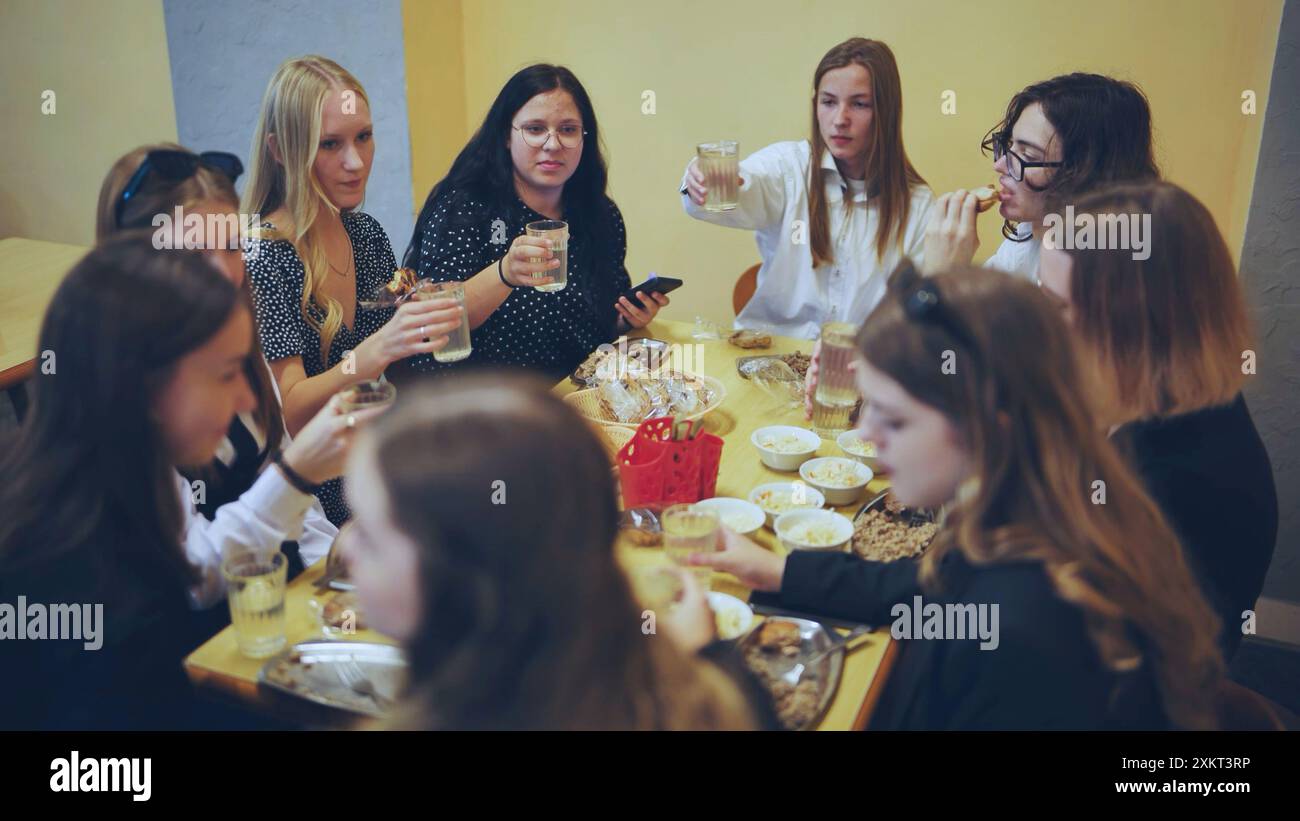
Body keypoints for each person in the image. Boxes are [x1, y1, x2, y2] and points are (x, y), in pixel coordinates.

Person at [694, 264, 1223, 729]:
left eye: (895, 418)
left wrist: (711, 661)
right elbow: (933, 592)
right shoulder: (1026, 519)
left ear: (986, 425)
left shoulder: (1021, 637)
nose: (868, 434)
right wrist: (776, 571)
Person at [0, 235, 365, 729]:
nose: (244, 399)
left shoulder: (118, 481)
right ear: (144, 384)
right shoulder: (79, 577)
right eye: (224, 375)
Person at [341, 376, 778, 730]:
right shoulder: (707, 701)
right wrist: (705, 655)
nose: (346, 545)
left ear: (463, 577)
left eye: (370, 534)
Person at [1037, 180, 1278, 660]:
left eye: (1056, 307)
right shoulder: (1161, 394)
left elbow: (1070, 646)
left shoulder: (1180, 481)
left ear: (1129, 326)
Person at [97, 142, 340, 576]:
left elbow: (300, 516)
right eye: (194, 253)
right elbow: (194, 577)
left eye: (231, 247)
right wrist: (298, 473)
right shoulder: (118, 393)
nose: (224, 272)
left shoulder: (237, 343)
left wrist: (336, 564)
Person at [242, 55, 462, 525]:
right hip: (312, 499)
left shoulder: (364, 234)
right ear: (280, 151)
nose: (355, 161)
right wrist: (382, 345)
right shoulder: (263, 259)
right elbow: (293, 416)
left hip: (373, 462)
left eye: (364, 136)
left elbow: (396, 371)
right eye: (330, 144)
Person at [399, 64, 668, 382]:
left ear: (584, 138)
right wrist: (505, 273)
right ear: (506, 137)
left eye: (567, 129)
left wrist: (627, 320)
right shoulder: (465, 207)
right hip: (479, 403)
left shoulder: (600, 214)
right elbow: (436, 323)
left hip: (575, 395)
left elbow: (596, 323)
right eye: (535, 129)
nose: (553, 144)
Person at [681, 37, 932, 340]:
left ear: (887, 111)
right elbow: (747, 184)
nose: (840, 120)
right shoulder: (790, 167)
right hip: (768, 360)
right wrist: (702, 180)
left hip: (851, 372)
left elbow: (922, 321)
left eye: (859, 104)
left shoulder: (920, 208)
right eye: (828, 102)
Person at [922, 72, 1160, 280]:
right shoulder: (1030, 235)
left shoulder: (1105, 276)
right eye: (1009, 145)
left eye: (1029, 155)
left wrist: (942, 275)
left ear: (1085, 173)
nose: (1001, 165)